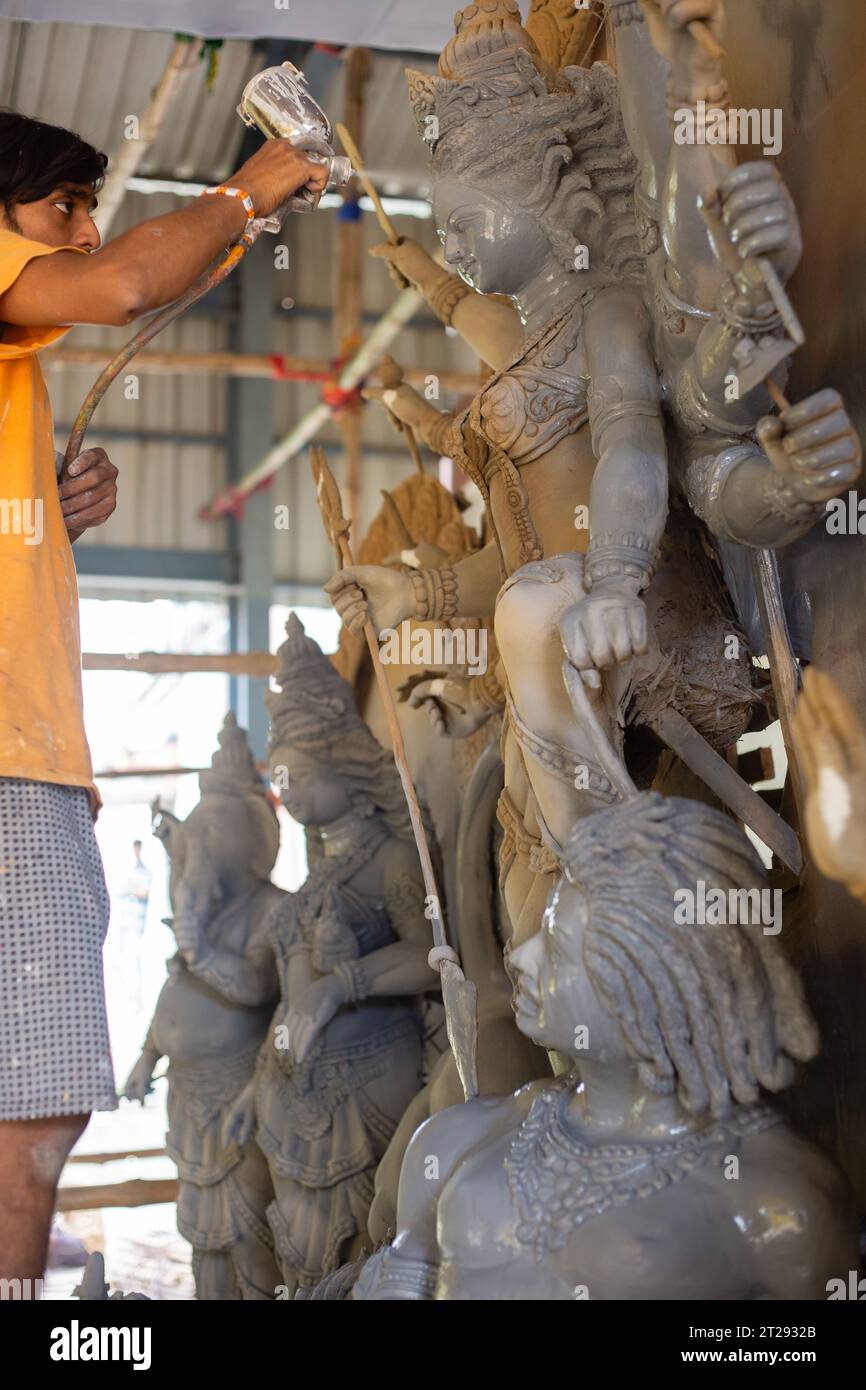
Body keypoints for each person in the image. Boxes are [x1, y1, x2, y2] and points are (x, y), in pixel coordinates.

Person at [0, 107, 328, 1284]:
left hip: (25, 758)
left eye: (91, 211)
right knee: (32, 1105)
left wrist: (40, 513)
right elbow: (129, 283)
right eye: (63, 208)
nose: (87, 233)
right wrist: (257, 184)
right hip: (10, 764)